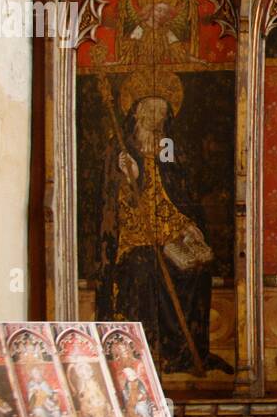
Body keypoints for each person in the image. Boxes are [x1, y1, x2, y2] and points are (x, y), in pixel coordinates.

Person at [97, 69, 232, 376]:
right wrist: (128, 177)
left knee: (198, 268)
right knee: (146, 268)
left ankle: (187, 352)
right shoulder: (119, 150)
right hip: (135, 237)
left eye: (162, 111)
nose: (156, 117)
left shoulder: (172, 150)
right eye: (151, 109)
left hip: (170, 230)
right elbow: (117, 209)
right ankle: (150, 352)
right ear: (137, 111)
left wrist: (187, 224)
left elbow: (180, 196)